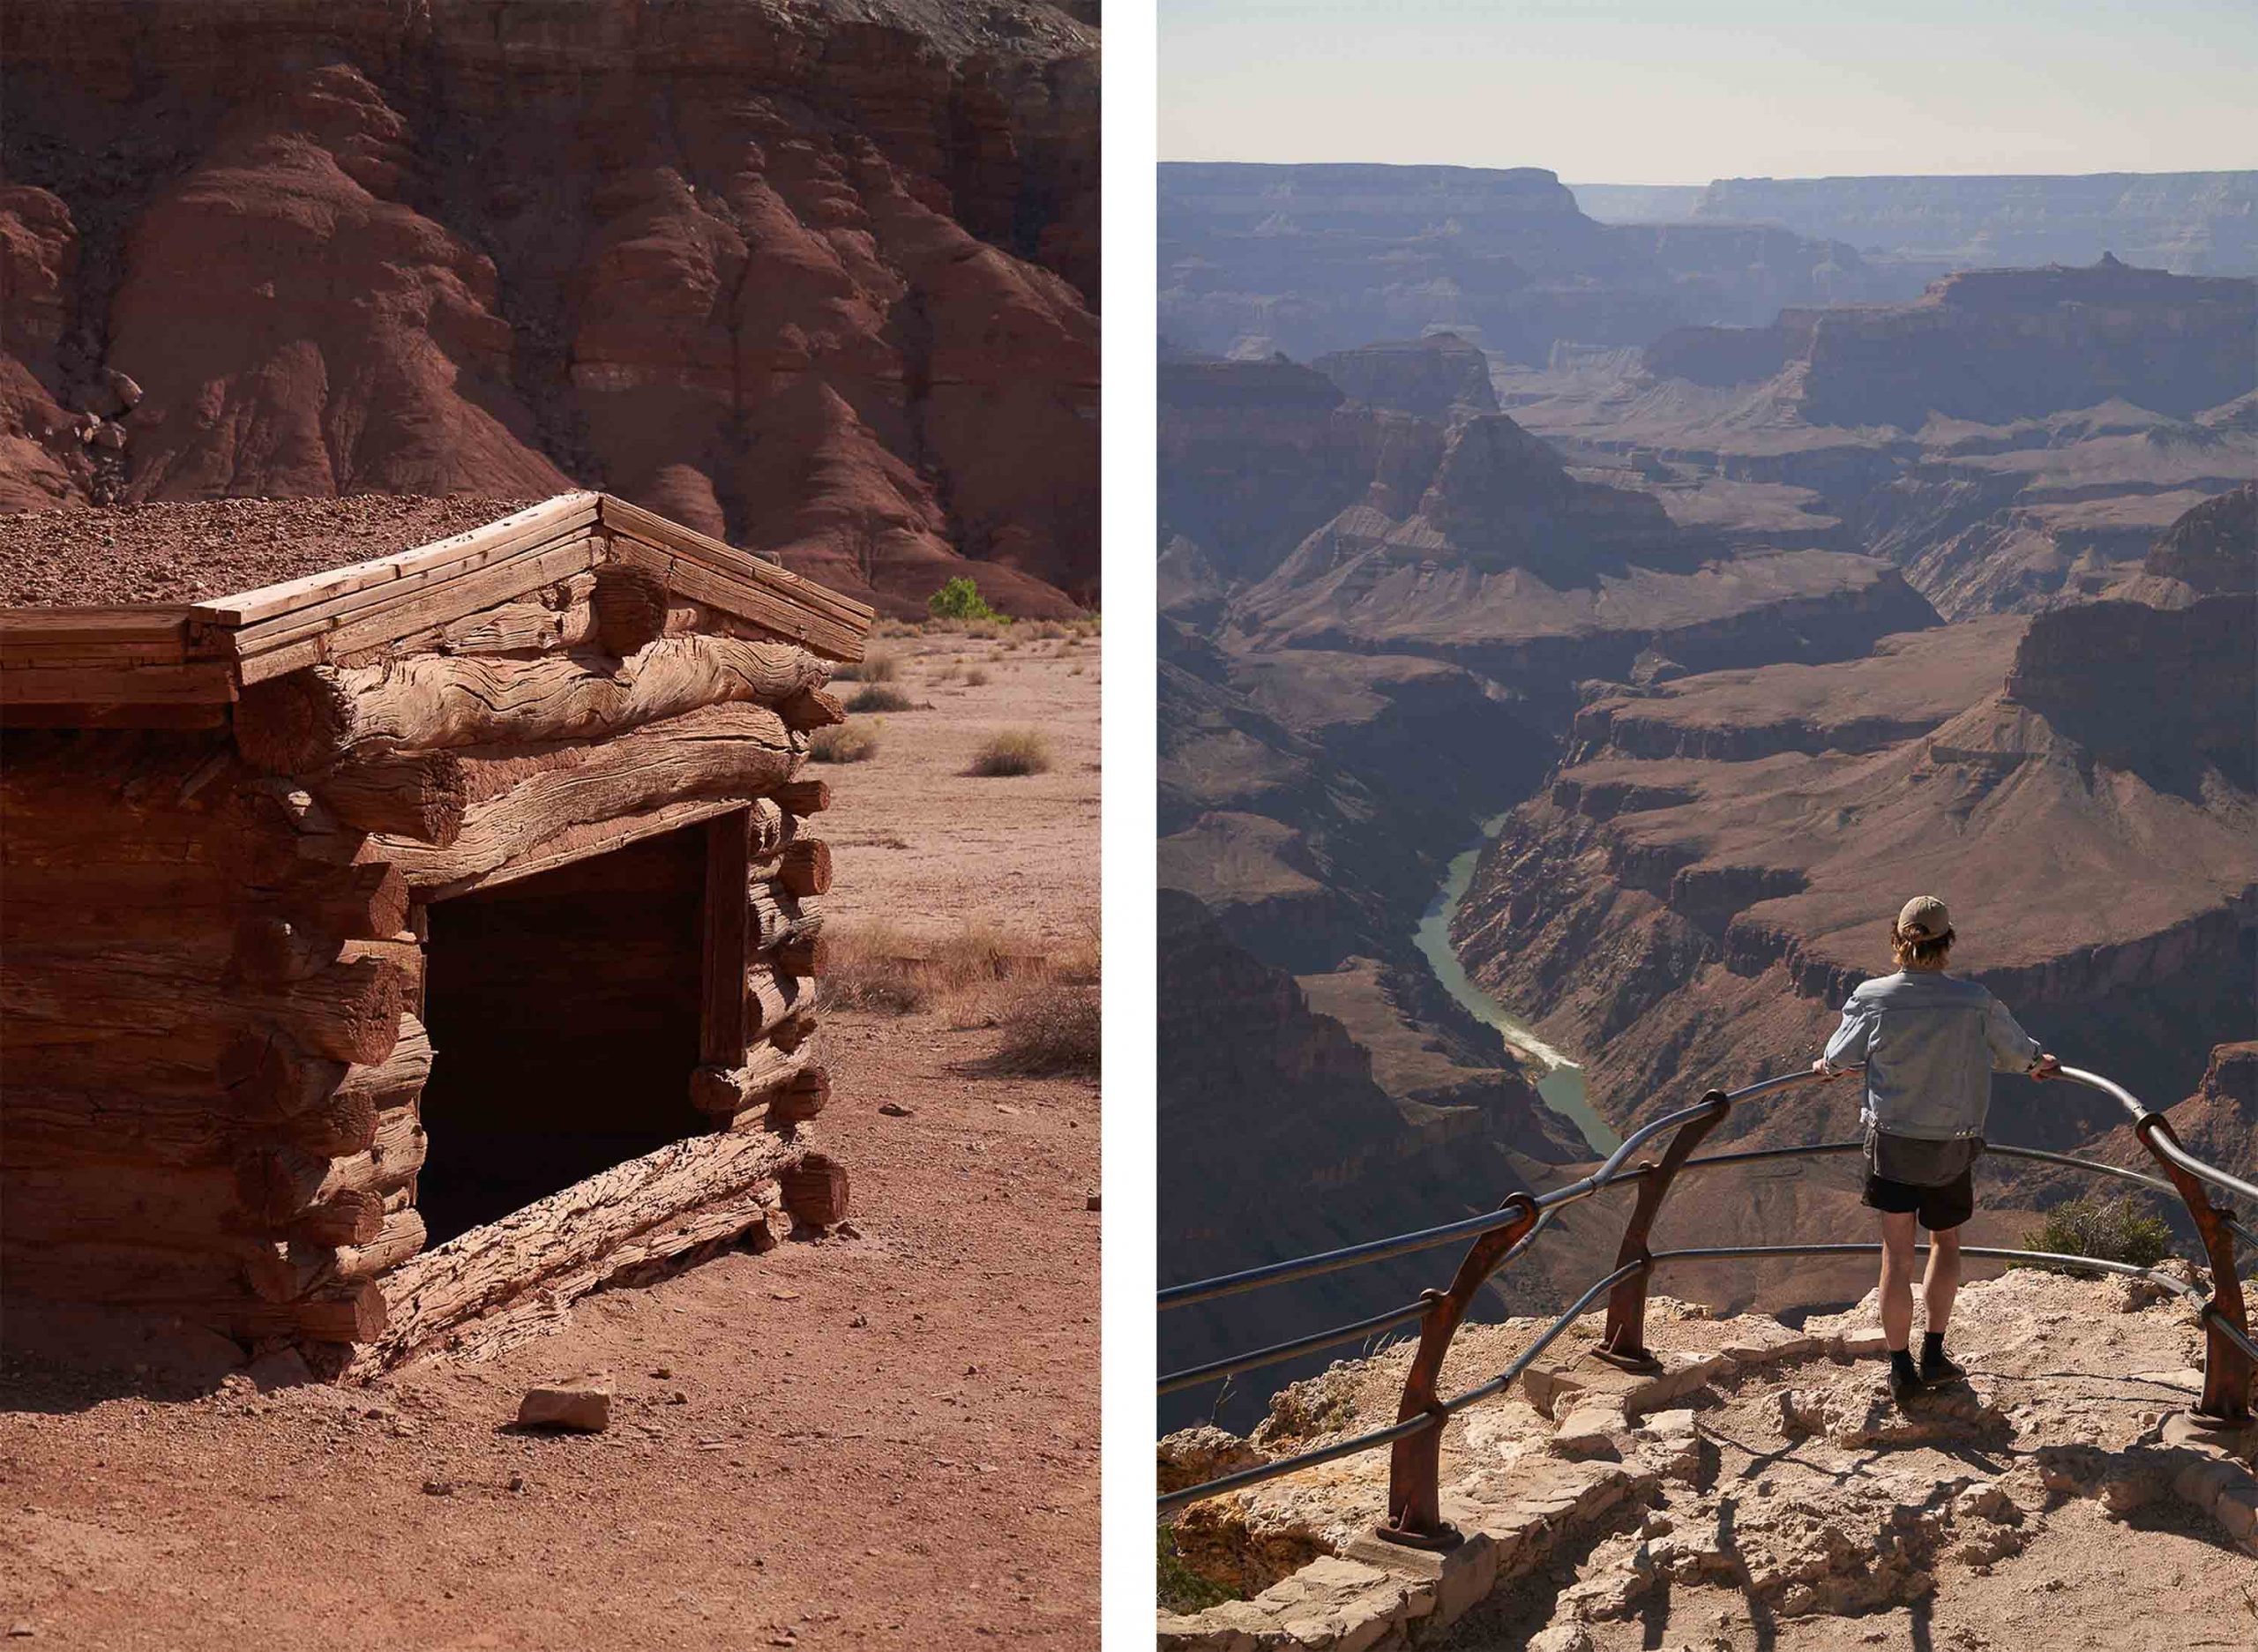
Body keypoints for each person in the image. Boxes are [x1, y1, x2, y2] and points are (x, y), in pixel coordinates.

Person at [1813, 895, 2060, 1405]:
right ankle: (1934, 1353)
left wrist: (1827, 1067)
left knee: (1896, 1257)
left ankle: (1901, 1368)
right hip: (1953, 1143)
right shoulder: (1975, 1000)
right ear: (1948, 944)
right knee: (1945, 1244)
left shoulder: (1873, 996)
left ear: (1897, 941)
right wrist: (2039, 1061)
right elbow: (2019, 1054)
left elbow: (1839, 1056)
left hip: (1894, 1144)